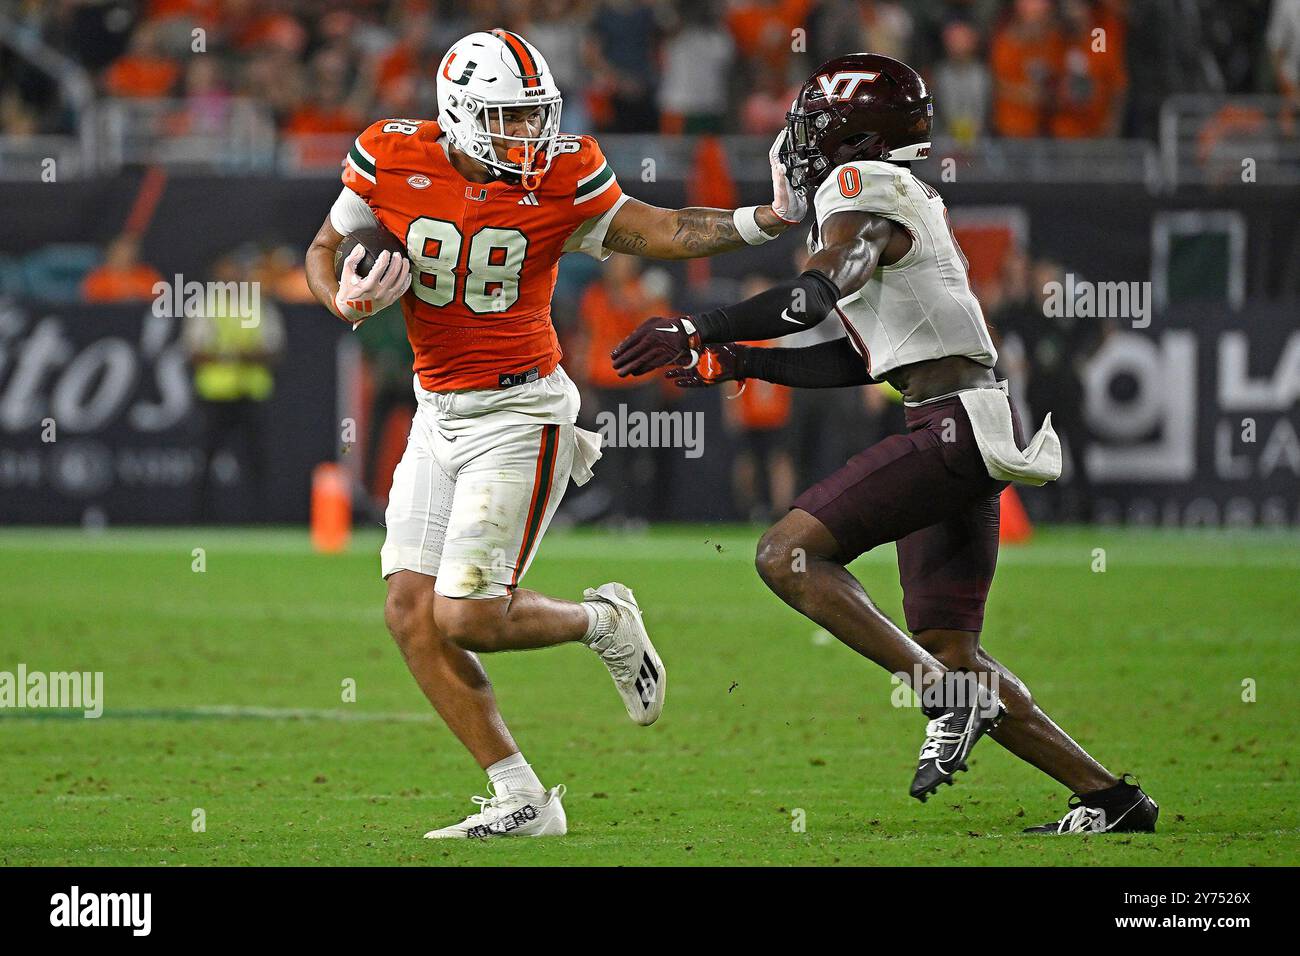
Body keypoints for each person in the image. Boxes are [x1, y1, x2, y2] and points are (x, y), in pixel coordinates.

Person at [612, 53, 1158, 835]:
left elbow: (812, 295)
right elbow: (864, 356)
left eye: (814, 127)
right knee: (950, 647)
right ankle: (1112, 799)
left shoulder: (859, 187)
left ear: (851, 137)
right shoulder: (906, 194)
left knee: (785, 555)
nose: (800, 142)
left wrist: (704, 324)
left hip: (951, 431)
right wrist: (735, 360)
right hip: (966, 426)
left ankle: (943, 701)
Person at [303, 28, 801, 839]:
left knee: (464, 616)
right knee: (407, 612)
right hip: (439, 412)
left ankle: (602, 621)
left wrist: (767, 217)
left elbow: (664, 229)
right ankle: (523, 799)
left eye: (534, 116)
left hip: (521, 409)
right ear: (458, 115)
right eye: (506, 119)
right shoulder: (388, 154)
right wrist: (342, 300)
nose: (526, 137)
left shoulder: (564, 174)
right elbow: (324, 249)